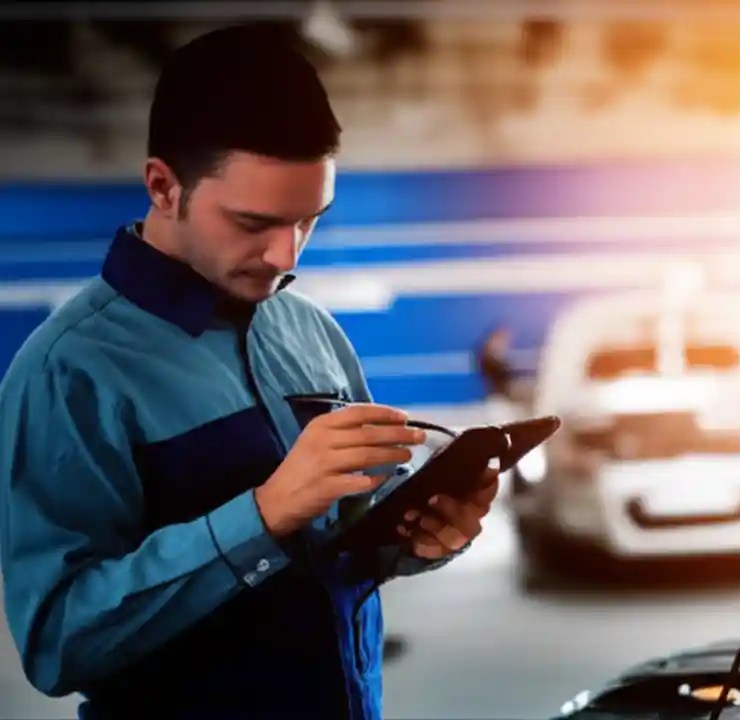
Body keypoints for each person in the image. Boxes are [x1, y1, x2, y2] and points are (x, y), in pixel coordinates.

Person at [0, 25, 495, 720]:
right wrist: (262, 516)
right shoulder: (68, 374)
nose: (284, 255)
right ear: (162, 186)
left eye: (308, 221)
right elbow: (57, 646)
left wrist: (417, 536)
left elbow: (344, 551)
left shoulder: (311, 331)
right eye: (253, 222)